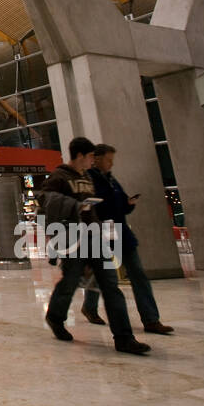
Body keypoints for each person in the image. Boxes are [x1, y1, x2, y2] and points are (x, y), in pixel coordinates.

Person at [40, 136, 150, 355]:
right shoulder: (59, 176)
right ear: (80, 155)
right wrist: (74, 206)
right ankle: (55, 316)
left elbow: (93, 210)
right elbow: (45, 199)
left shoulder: (88, 178)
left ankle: (124, 337)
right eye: (91, 156)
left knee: (110, 284)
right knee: (70, 281)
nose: (93, 160)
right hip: (73, 239)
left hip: (95, 238)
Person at [81, 144, 174, 335]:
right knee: (105, 273)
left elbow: (120, 204)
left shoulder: (112, 180)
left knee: (137, 273)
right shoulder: (89, 179)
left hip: (122, 232)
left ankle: (151, 319)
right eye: (108, 159)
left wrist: (128, 204)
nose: (111, 163)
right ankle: (90, 307)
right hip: (104, 231)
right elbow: (91, 208)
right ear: (96, 159)